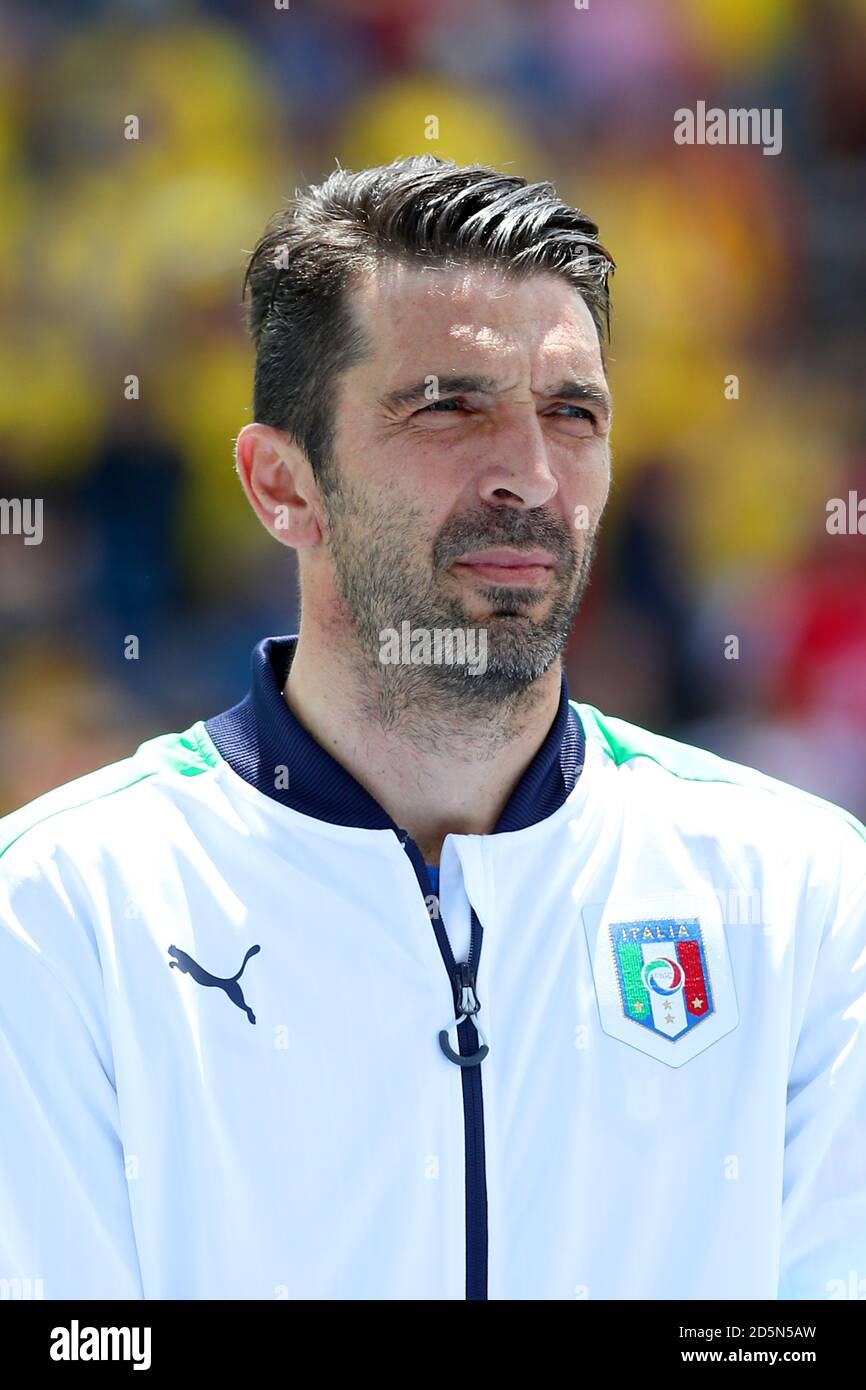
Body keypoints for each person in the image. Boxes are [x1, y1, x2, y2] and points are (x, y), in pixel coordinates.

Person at [0, 155, 863, 1301]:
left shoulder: (797, 893)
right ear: (280, 486)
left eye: (571, 412)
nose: (528, 473)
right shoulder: (68, 913)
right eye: (447, 404)